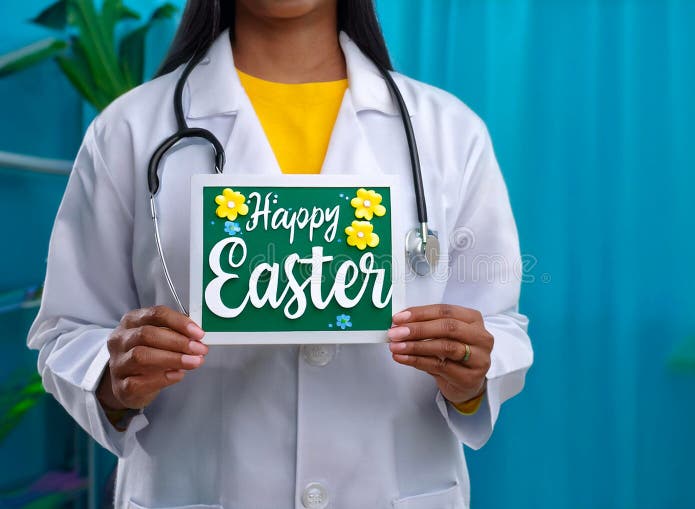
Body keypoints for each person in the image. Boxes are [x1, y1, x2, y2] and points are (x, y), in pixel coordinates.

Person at [27, 0, 533, 507]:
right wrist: (114, 380)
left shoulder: (448, 132)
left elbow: (500, 326)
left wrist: (472, 370)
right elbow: (68, 331)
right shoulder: (130, 130)